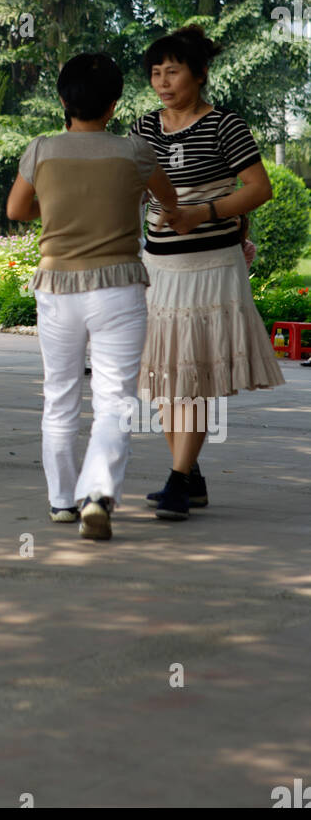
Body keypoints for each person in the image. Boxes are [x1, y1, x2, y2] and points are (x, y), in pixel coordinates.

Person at [7, 53, 180, 541]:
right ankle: (98, 495)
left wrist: (60, 206)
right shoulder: (135, 152)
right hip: (119, 289)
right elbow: (168, 202)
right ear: (114, 104)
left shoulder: (40, 149)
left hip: (58, 287)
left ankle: (62, 501)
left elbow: (17, 209)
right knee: (115, 400)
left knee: (59, 393)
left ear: (63, 100)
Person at [130, 25, 284, 519]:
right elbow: (129, 191)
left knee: (191, 376)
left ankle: (178, 481)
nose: (162, 82)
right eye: (156, 72)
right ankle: (190, 475)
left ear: (199, 74)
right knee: (160, 375)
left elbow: (258, 188)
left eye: (172, 71)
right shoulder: (144, 128)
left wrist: (206, 213)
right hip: (158, 269)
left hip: (211, 267)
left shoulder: (226, 125)